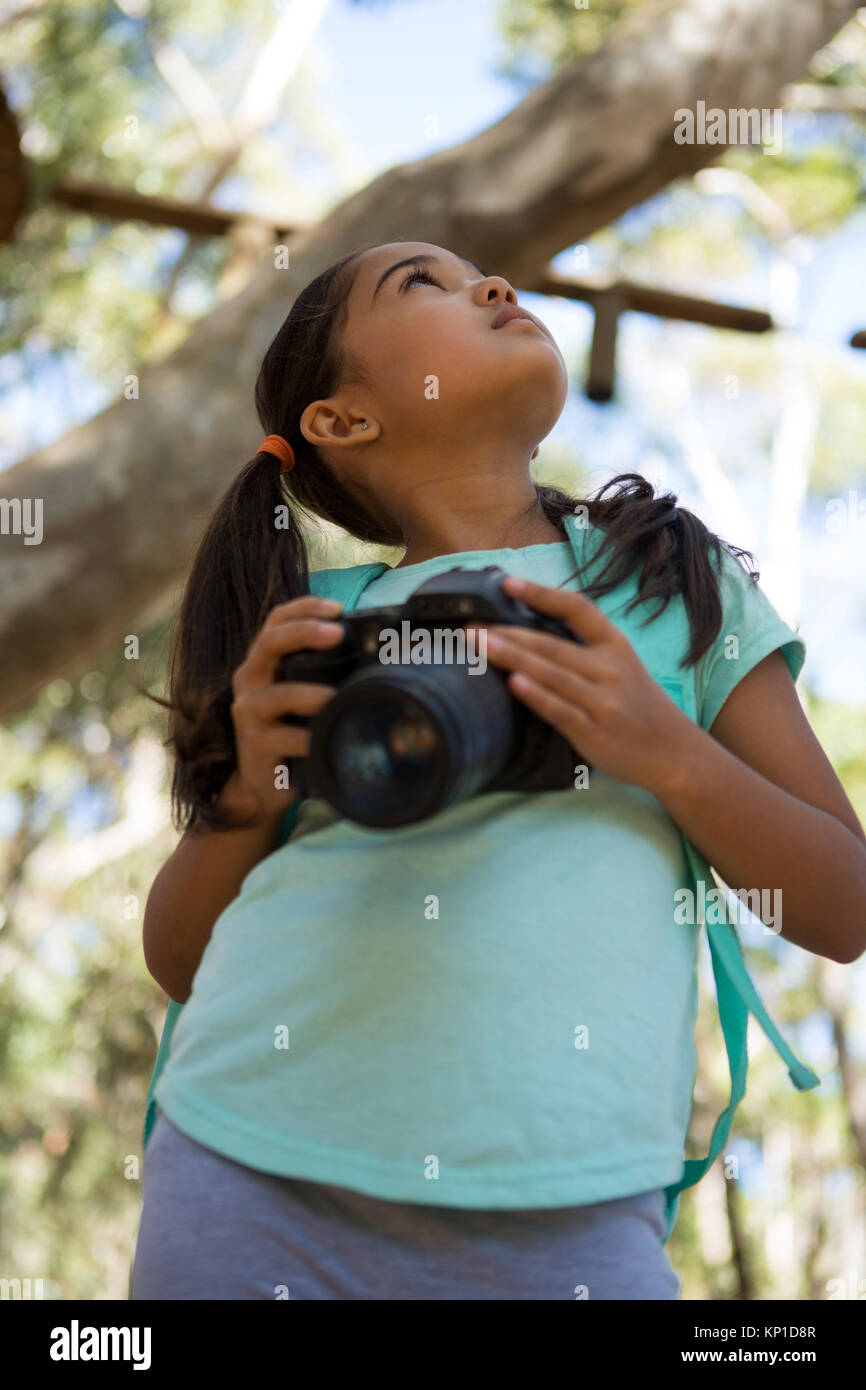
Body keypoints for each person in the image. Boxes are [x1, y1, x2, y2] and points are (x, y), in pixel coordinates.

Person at [129, 241, 866, 1300]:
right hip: (250, 1174)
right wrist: (247, 795)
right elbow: (182, 959)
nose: (493, 285)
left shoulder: (666, 578)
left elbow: (841, 909)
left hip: (568, 1216)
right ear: (341, 419)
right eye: (420, 283)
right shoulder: (317, 639)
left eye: (480, 273)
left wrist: (666, 755)